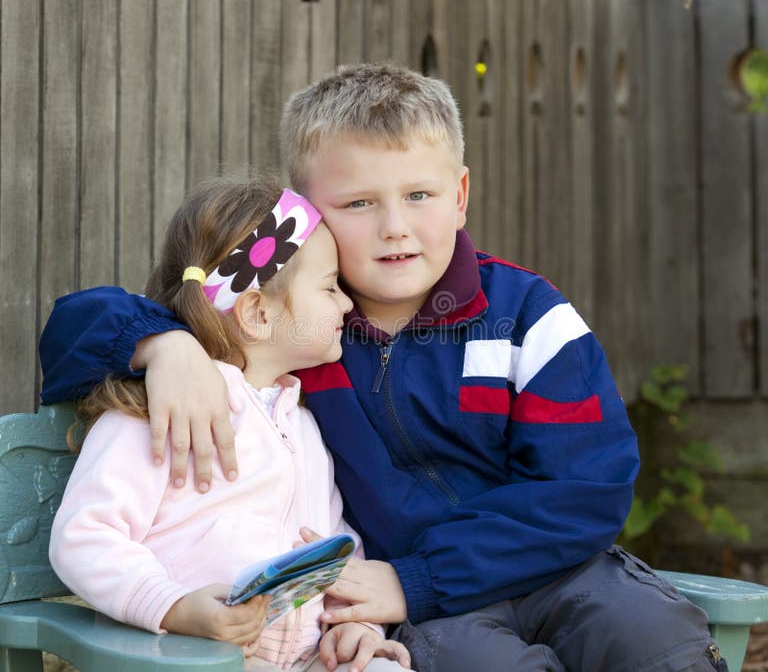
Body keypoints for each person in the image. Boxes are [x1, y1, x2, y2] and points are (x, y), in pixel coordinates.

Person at [41, 63, 726, 672]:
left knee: (653, 637)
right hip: (438, 620)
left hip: (561, 571)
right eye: (359, 203)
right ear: (302, 218)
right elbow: (103, 318)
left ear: (459, 196)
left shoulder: (528, 318)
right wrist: (167, 346)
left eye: (419, 196)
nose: (394, 226)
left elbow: (591, 486)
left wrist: (417, 578)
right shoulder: (306, 334)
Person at [47, 174, 411, 672]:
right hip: (193, 657)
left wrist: (355, 625)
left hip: (307, 656)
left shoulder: (302, 422)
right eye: (329, 288)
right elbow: (85, 536)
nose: (347, 304)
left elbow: (331, 547)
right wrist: (174, 608)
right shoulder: (159, 409)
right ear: (258, 313)